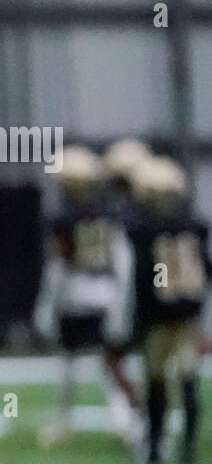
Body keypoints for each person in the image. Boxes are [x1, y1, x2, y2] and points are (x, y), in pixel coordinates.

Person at [33, 146, 140, 448]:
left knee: (69, 361)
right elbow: (122, 257)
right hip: (107, 291)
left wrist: (45, 305)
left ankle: (67, 422)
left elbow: (58, 264)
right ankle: (126, 422)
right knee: (112, 363)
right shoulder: (111, 211)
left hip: (74, 293)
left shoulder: (62, 218)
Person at [125, 157, 209, 464]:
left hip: (159, 316)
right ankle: (188, 447)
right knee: (187, 378)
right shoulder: (195, 226)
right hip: (188, 311)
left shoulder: (143, 230)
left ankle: (156, 447)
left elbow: (143, 277)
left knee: (157, 380)